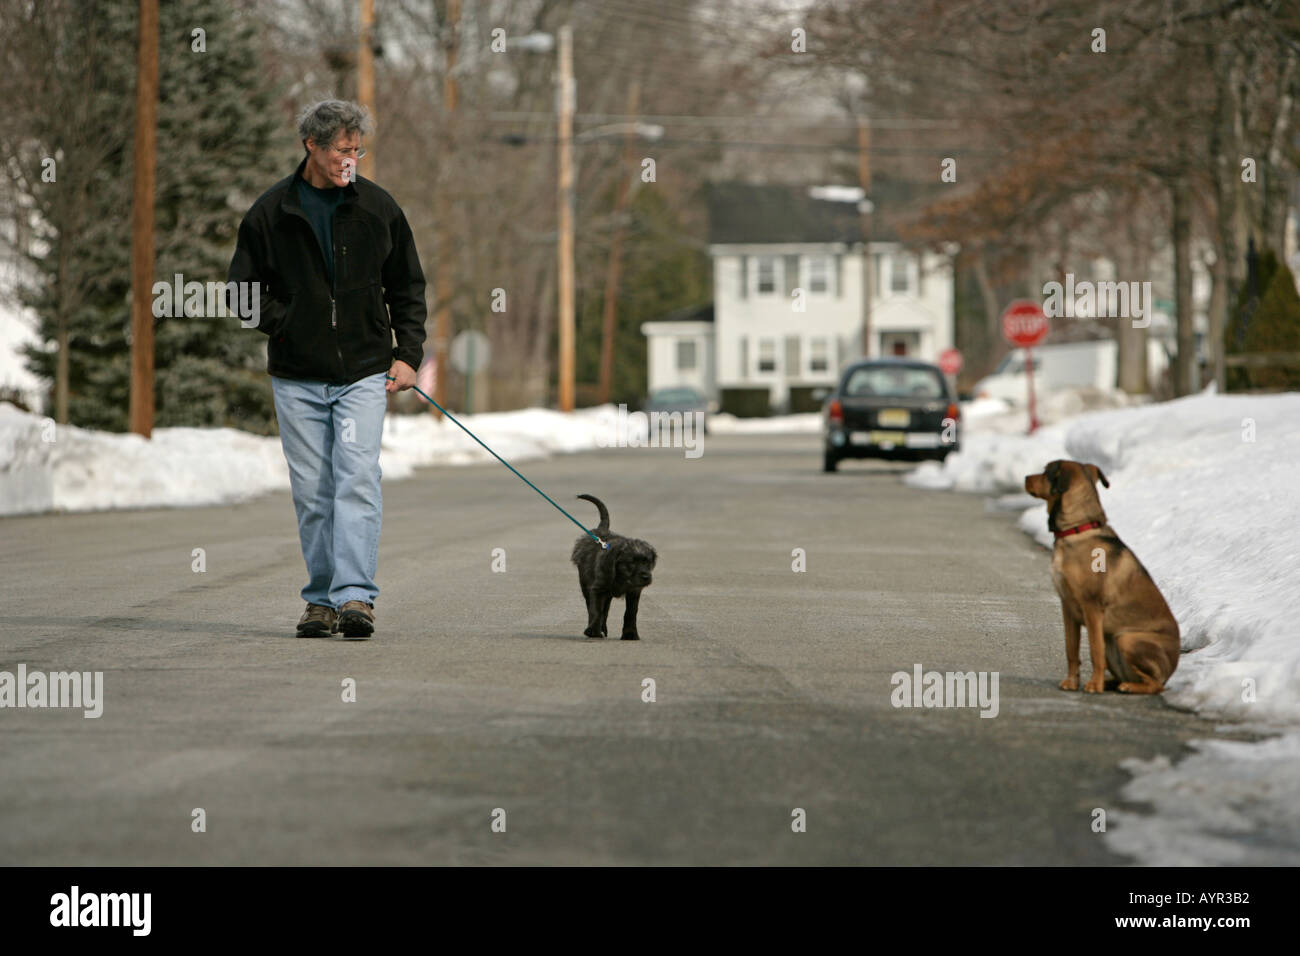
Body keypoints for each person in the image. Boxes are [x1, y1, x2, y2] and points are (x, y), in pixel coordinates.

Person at [227, 99, 426, 639]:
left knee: (357, 479)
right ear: (311, 146)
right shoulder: (271, 212)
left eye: (358, 150)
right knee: (314, 491)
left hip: (363, 370)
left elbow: (407, 284)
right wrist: (286, 323)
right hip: (296, 376)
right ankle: (320, 601)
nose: (351, 160)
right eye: (342, 149)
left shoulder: (378, 207)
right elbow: (241, 293)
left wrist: (408, 354)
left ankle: (356, 597)